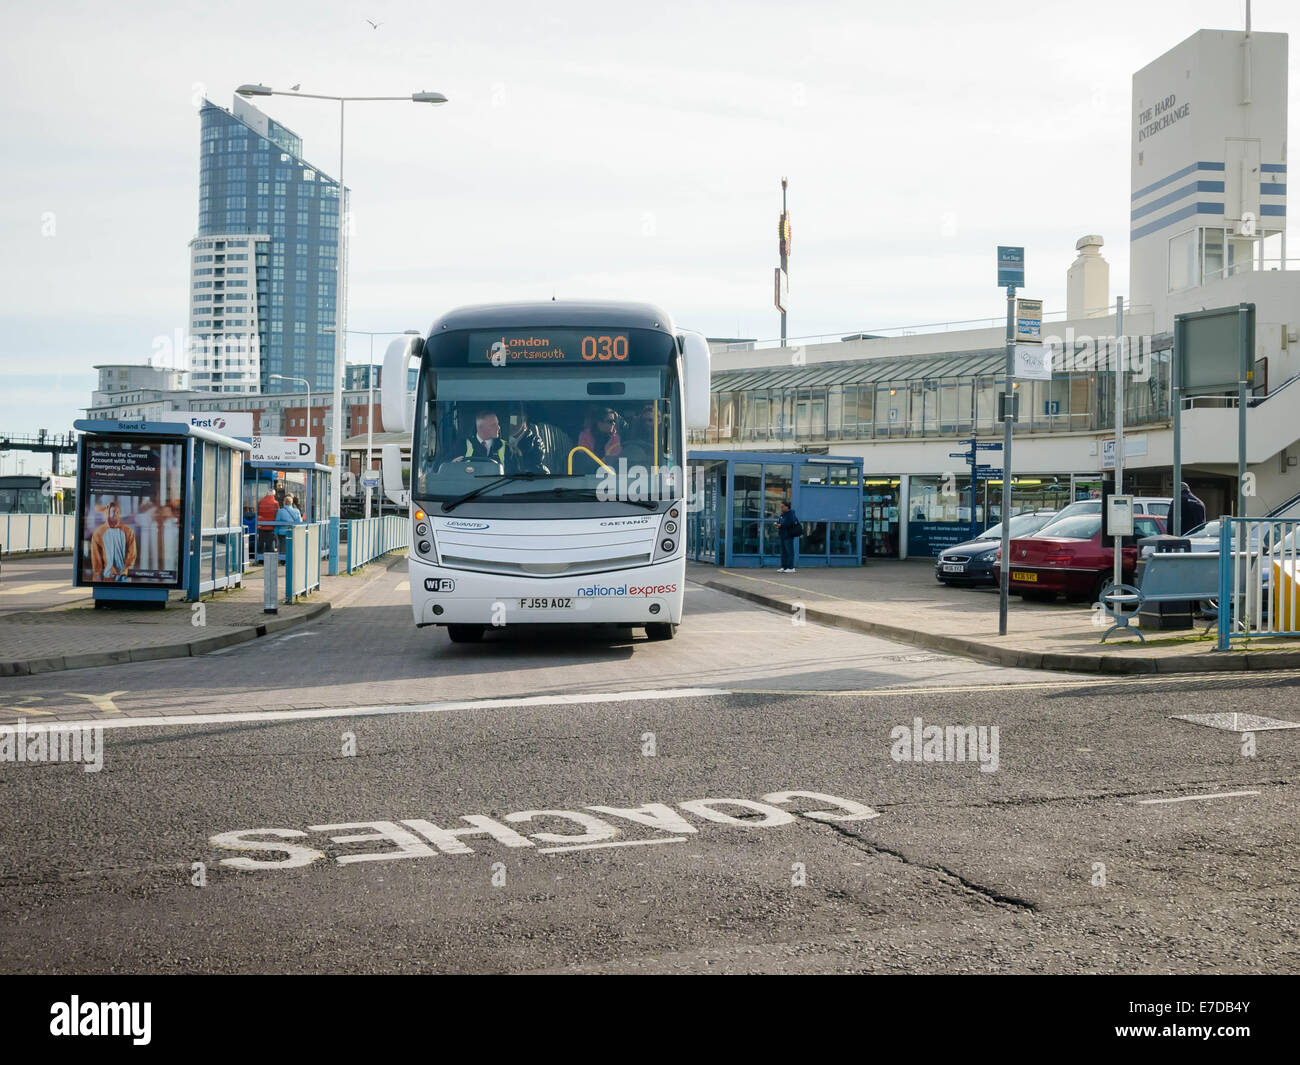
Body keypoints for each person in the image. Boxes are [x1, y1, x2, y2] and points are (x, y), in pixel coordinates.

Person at [89, 500, 137, 581]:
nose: (116, 514)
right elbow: (96, 556)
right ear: (107, 513)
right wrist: (97, 574)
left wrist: (126, 569)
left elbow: (132, 553)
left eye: (118, 512)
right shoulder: (99, 532)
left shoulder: (127, 530)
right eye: (114, 512)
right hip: (107, 575)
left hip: (124, 576)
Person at [775, 500, 801, 573]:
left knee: (789, 551)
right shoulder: (782, 514)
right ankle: (784, 567)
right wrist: (778, 524)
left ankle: (791, 567)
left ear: (787, 507)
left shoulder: (791, 514)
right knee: (783, 552)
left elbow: (792, 522)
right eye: (781, 507)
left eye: (782, 507)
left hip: (788, 535)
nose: (781, 508)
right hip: (782, 535)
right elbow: (781, 521)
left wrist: (782, 525)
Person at [257, 484, 281, 555]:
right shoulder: (276, 503)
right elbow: (278, 514)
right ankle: (269, 559)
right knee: (270, 544)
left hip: (261, 526)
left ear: (267, 494)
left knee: (261, 543)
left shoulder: (260, 502)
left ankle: (260, 559)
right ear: (273, 495)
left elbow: (257, 512)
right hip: (271, 527)